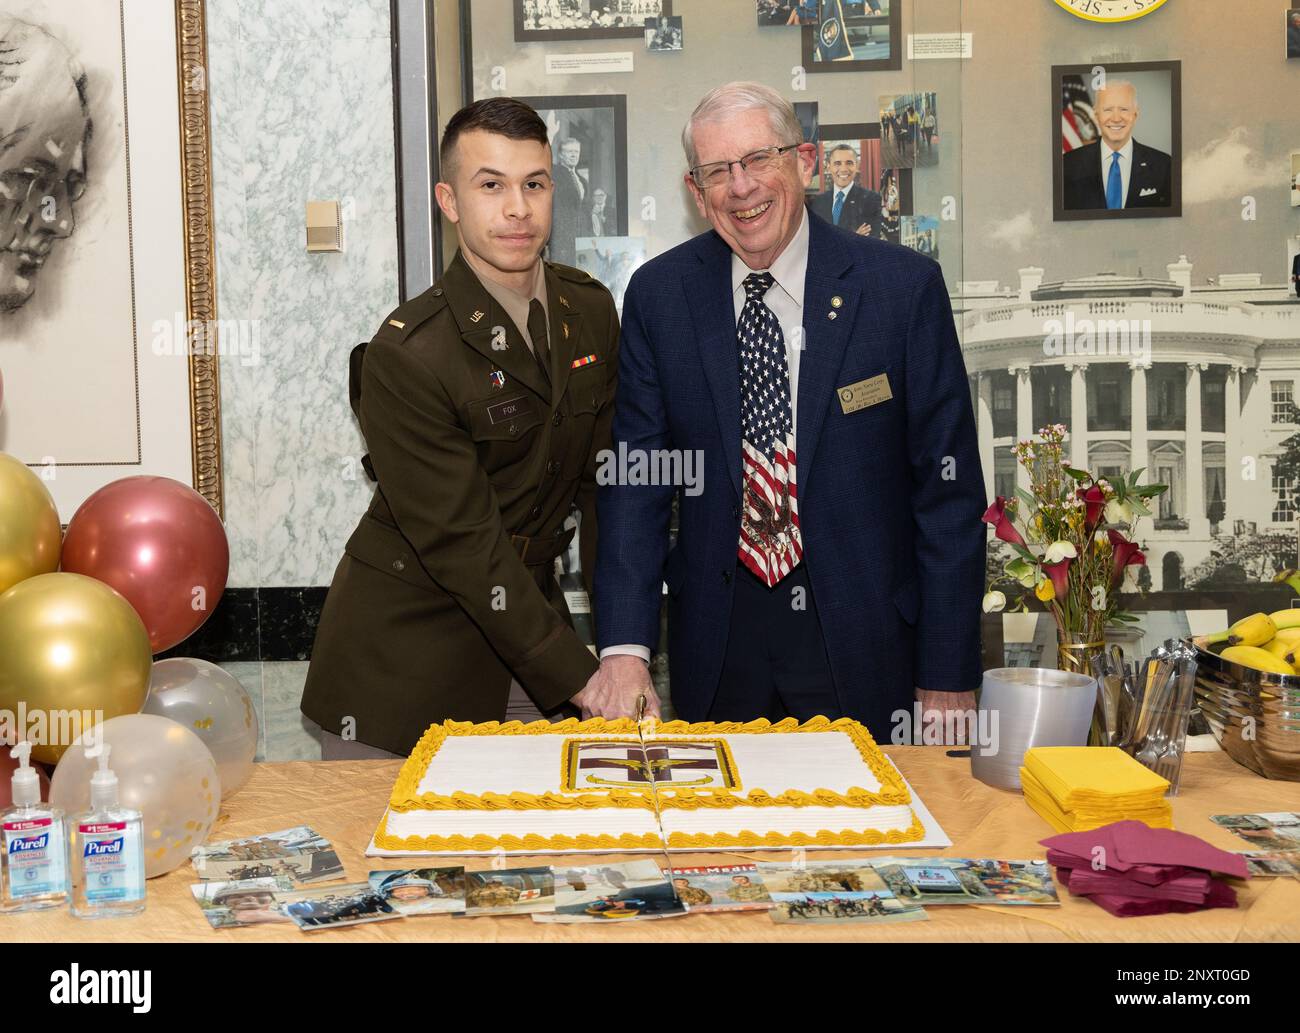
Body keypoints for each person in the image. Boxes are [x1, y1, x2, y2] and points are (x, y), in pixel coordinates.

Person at [585, 82, 985, 741]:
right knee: (725, 839)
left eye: (758, 160)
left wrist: (947, 672)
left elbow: (947, 498)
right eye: (718, 171)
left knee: (873, 840)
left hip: (867, 643)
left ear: (803, 161)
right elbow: (637, 483)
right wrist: (625, 647)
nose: (741, 188)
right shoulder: (660, 298)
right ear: (696, 191)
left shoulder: (901, 291)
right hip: (719, 646)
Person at [300, 98, 620, 757]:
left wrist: (623, 645)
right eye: (491, 185)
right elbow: (464, 544)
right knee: (404, 859)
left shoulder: (588, 310)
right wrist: (586, 679)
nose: (518, 209)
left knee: (554, 849)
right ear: (449, 201)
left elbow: (603, 490)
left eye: (534, 184)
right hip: (406, 660)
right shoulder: (409, 352)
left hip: (532, 632)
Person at [1062, 80, 1172, 210]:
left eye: (1124, 109)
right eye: (1108, 109)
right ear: (1096, 116)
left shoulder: (1165, 165)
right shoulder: (1067, 165)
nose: (1116, 118)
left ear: (1135, 114)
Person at [808, 143, 882, 237]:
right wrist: (853, 236)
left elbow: (870, 243)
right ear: (828, 166)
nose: (843, 169)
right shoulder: (818, 202)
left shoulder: (871, 200)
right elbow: (816, 239)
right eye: (837, 163)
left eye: (849, 163)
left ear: (857, 165)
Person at [550, 136, 589, 265]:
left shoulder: (582, 181)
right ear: (561, 155)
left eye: (576, 152)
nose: (574, 155)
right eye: (569, 151)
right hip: (561, 237)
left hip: (580, 236)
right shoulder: (554, 172)